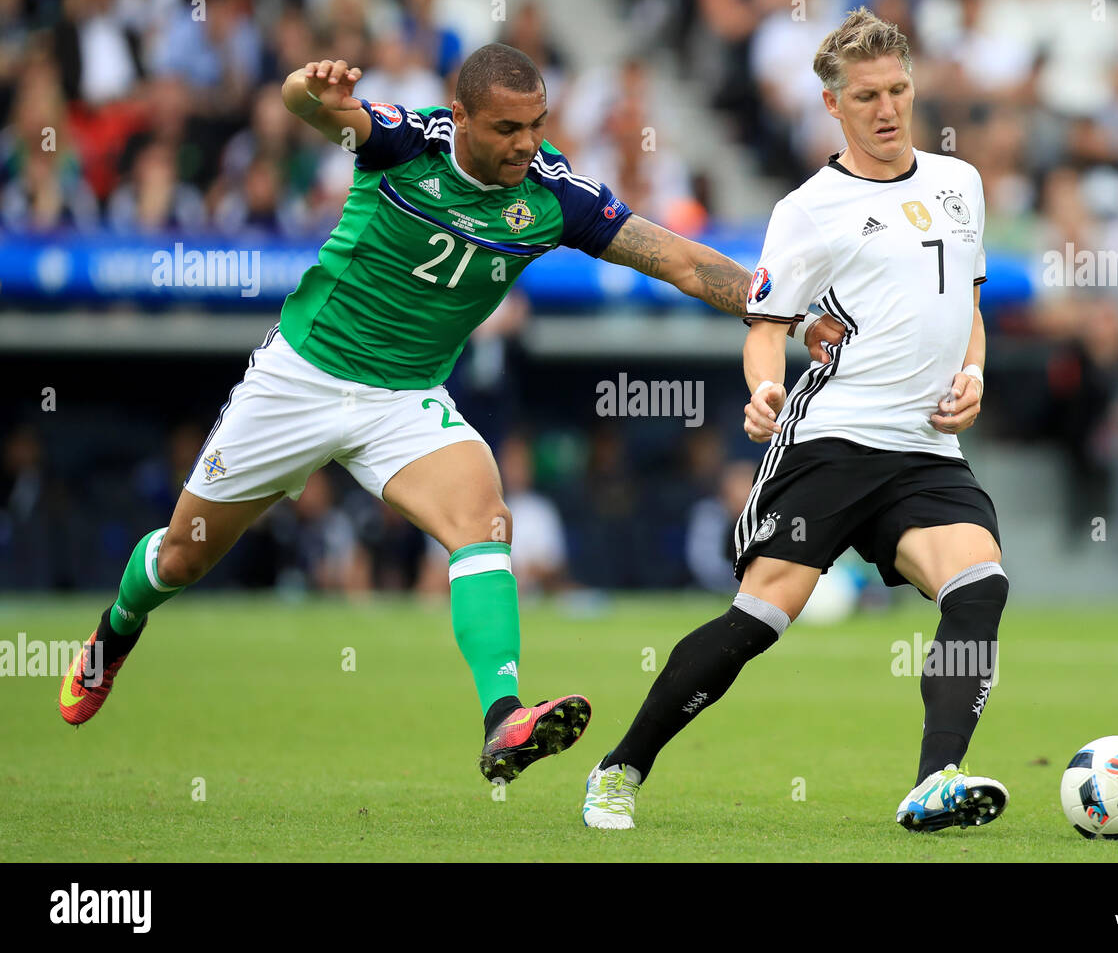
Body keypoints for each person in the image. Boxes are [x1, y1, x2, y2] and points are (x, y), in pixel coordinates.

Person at [58, 43, 843, 789]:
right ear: (461, 118)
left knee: (484, 519)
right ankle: (115, 630)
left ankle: (504, 716)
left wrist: (793, 320)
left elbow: (678, 258)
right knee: (184, 559)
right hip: (300, 378)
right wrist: (309, 89)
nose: (526, 144)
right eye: (507, 129)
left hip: (404, 399)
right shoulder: (407, 146)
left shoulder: (553, 193)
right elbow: (307, 106)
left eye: (537, 125)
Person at [583, 9, 1009, 832]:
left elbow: (971, 306)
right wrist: (765, 390)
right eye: (866, 96)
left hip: (925, 446)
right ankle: (619, 768)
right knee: (760, 618)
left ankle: (935, 779)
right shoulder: (810, 208)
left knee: (979, 585)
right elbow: (767, 324)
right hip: (832, 439)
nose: (886, 109)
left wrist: (976, 373)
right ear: (832, 104)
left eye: (898, 90)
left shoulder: (962, 185)